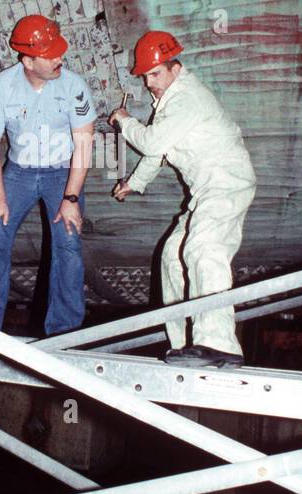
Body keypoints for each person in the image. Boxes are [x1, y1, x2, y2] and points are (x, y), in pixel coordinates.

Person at [109, 30, 256, 367]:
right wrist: (134, 183)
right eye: (145, 76)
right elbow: (157, 151)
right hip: (205, 191)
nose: (149, 83)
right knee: (172, 259)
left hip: (226, 183)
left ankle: (218, 343)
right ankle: (187, 345)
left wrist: (124, 121)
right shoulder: (170, 103)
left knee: (203, 249)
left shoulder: (187, 97)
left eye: (155, 73)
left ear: (176, 67)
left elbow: (150, 142)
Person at [0, 14, 96, 335]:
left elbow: (84, 144)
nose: (60, 59)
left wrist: (70, 198)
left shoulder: (73, 86)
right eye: (50, 55)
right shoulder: (1, 87)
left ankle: (64, 331)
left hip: (62, 173)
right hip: (19, 173)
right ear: (27, 60)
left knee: (68, 241)